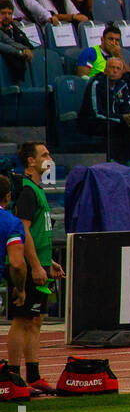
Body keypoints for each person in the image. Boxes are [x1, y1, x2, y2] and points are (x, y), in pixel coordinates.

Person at [7, 143, 63, 396]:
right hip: (29, 266)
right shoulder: (28, 192)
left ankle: (33, 376)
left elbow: (37, 232)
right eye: (44, 155)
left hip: (39, 262)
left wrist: (48, 261)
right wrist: (36, 264)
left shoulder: (36, 190)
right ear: (31, 161)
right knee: (23, 319)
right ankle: (13, 376)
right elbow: (24, 230)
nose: (49, 159)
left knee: (36, 320)